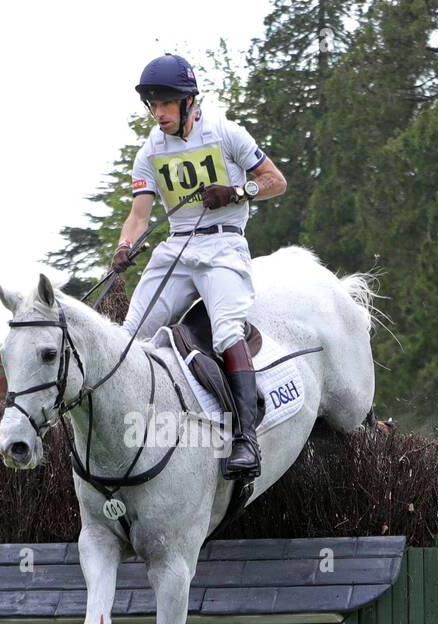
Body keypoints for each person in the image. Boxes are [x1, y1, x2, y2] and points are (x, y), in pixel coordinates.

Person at [112, 53, 288, 480]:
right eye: (153, 105)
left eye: (165, 104)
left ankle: (246, 439)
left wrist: (236, 191)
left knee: (227, 331)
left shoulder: (226, 133)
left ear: (188, 101)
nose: (158, 114)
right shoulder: (149, 152)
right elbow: (138, 215)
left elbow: (276, 182)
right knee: (130, 333)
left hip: (224, 247)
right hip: (175, 249)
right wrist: (124, 246)